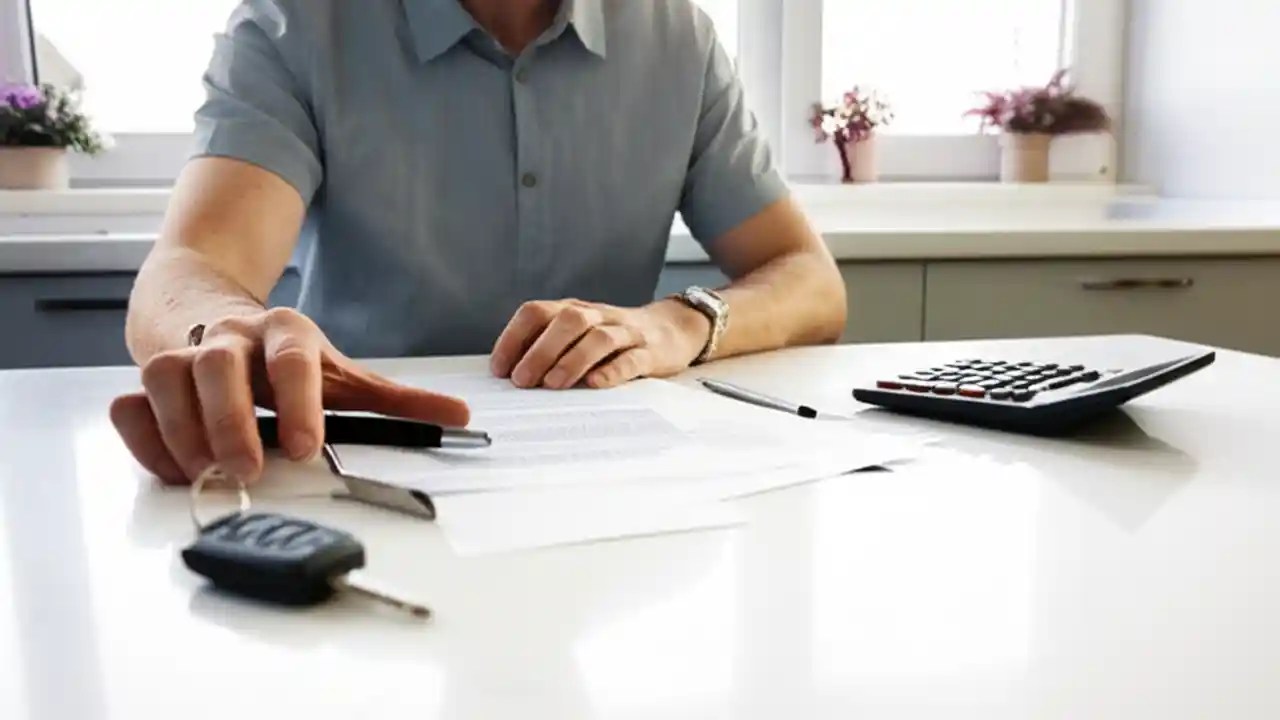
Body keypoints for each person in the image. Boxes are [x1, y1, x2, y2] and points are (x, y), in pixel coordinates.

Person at [110, 0, 847, 486]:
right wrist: (227, 332)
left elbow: (809, 279)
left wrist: (676, 323)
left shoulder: (675, 33)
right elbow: (190, 270)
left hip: (608, 471)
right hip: (365, 463)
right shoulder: (299, 23)